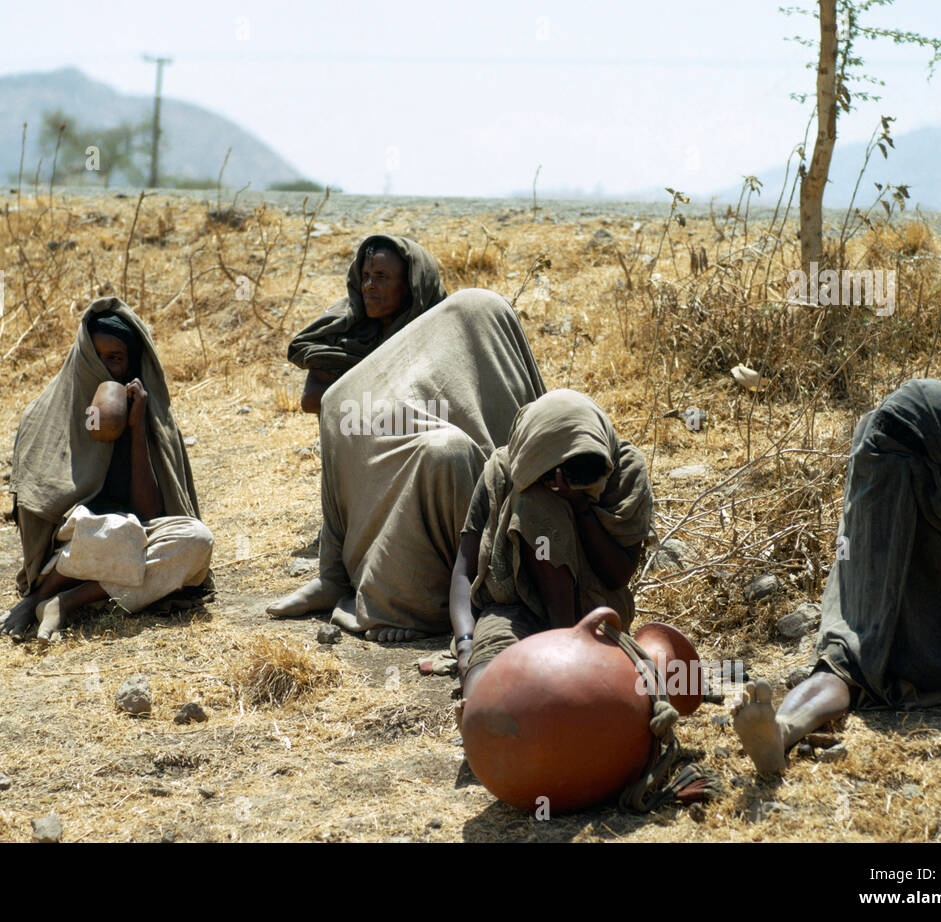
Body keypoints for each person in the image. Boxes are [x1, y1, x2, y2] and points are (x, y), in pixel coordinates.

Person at [733, 380, 941, 773]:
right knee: (853, 657)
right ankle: (781, 728)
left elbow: (864, 576)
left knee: (844, 661)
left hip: (896, 647)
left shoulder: (889, 464)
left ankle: (786, 725)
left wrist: (860, 642)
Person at [268, 289, 546, 640]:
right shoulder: (376, 368)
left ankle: (412, 603)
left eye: (383, 279)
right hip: (386, 551)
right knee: (444, 451)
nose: (372, 287)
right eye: (366, 276)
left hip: (489, 555)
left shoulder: (492, 373)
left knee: (447, 452)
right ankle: (353, 583)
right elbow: (322, 395)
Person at [0, 298, 213, 641]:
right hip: (71, 553)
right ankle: (37, 597)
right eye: (96, 357)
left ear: (132, 364)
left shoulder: (151, 419)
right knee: (114, 530)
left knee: (197, 540)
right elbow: (39, 516)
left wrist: (137, 429)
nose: (105, 368)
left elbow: (148, 513)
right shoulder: (43, 416)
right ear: (83, 358)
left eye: (115, 359)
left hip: (135, 540)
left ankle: (64, 604)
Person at [450, 389, 655, 698]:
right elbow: (465, 569)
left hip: (592, 611)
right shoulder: (505, 470)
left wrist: (580, 507)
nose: (560, 485)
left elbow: (617, 574)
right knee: (490, 680)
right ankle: (483, 721)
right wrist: (466, 644)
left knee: (600, 691)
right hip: (514, 610)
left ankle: (567, 649)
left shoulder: (624, 472)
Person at [288, 234, 446, 414]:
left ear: (412, 286)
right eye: (365, 276)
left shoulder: (439, 334)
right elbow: (312, 400)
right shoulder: (346, 331)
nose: (369, 285)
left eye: (381, 276)